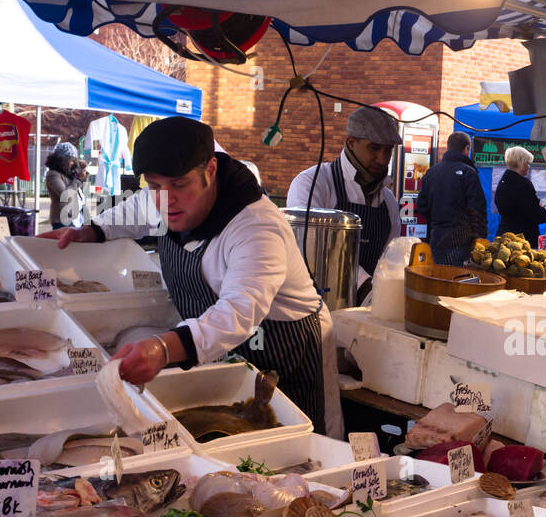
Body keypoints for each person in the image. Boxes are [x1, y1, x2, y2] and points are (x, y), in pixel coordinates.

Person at [45, 117, 341, 439]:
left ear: (210, 170)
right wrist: (90, 231)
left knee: (306, 451)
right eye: (155, 186)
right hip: (228, 360)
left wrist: (164, 348)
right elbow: (135, 209)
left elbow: (240, 311)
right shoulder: (162, 196)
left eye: (179, 184)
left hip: (288, 353)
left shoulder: (256, 227)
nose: (166, 199)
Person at [286, 107, 401, 287]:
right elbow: (310, 249)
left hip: (366, 308)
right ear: (351, 142)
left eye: (388, 150)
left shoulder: (388, 201)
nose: (382, 159)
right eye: (375, 148)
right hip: (314, 305)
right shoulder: (312, 183)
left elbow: (390, 258)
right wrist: (364, 284)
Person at [415, 131, 487, 265]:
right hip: (460, 239)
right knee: (458, 280)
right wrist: (479, 237)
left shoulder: (432, 172)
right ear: (466, 149)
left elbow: (421, 205)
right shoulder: (468, 172)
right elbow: (477, 208)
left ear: (448, 147)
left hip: (436, 236)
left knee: (439, 278)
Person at [493, 146, 546, 249]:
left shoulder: (502, 183)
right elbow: (535, 215)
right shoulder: (524, 185)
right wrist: (542, 209)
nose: (528, 166)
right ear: (521, 163)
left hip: (504, 236)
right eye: (527, 163)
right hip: (522, 242)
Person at [44, 142, 87, 228]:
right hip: (62, 221)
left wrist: (83, 173)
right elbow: (65, 196)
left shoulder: (69, 174)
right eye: (71, 160)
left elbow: (81, 190)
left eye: (74, 161)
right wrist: (78, 180)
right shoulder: (53, 175)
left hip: (76, 219)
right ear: (62, 160)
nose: (73, 163)